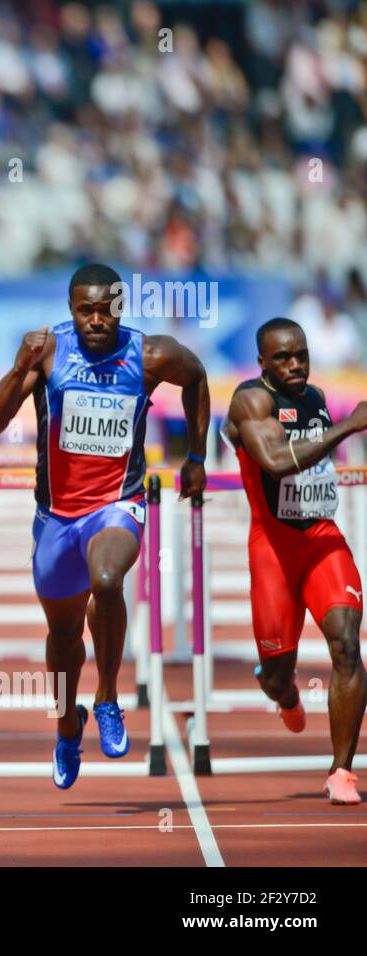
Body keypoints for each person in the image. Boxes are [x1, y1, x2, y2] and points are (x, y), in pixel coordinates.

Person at [0, 263, 210, 788]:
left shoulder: (149, 354)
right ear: (71, 310)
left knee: (107, 581)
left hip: (116, 505)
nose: (98, 320)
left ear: (121, 307)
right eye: (86, 311)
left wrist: (195, 456)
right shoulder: (48, 354)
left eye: (107, 309)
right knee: (62, 635)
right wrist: (18, 371)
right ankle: (67, 724)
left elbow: (195, 375)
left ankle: (107, 697)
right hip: (56, 517)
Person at [221, 317, 365, 805]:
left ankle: (342, 771)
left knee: (347, 644)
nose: (296, 364)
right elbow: (278, 461)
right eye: (283, 358)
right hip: (274, 550)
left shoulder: (316, 398)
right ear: (262, 362)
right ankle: (283, 691)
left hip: (321, 537)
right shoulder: (250, 400)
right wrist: (348, 425)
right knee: (279, 674)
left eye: (301, 354)